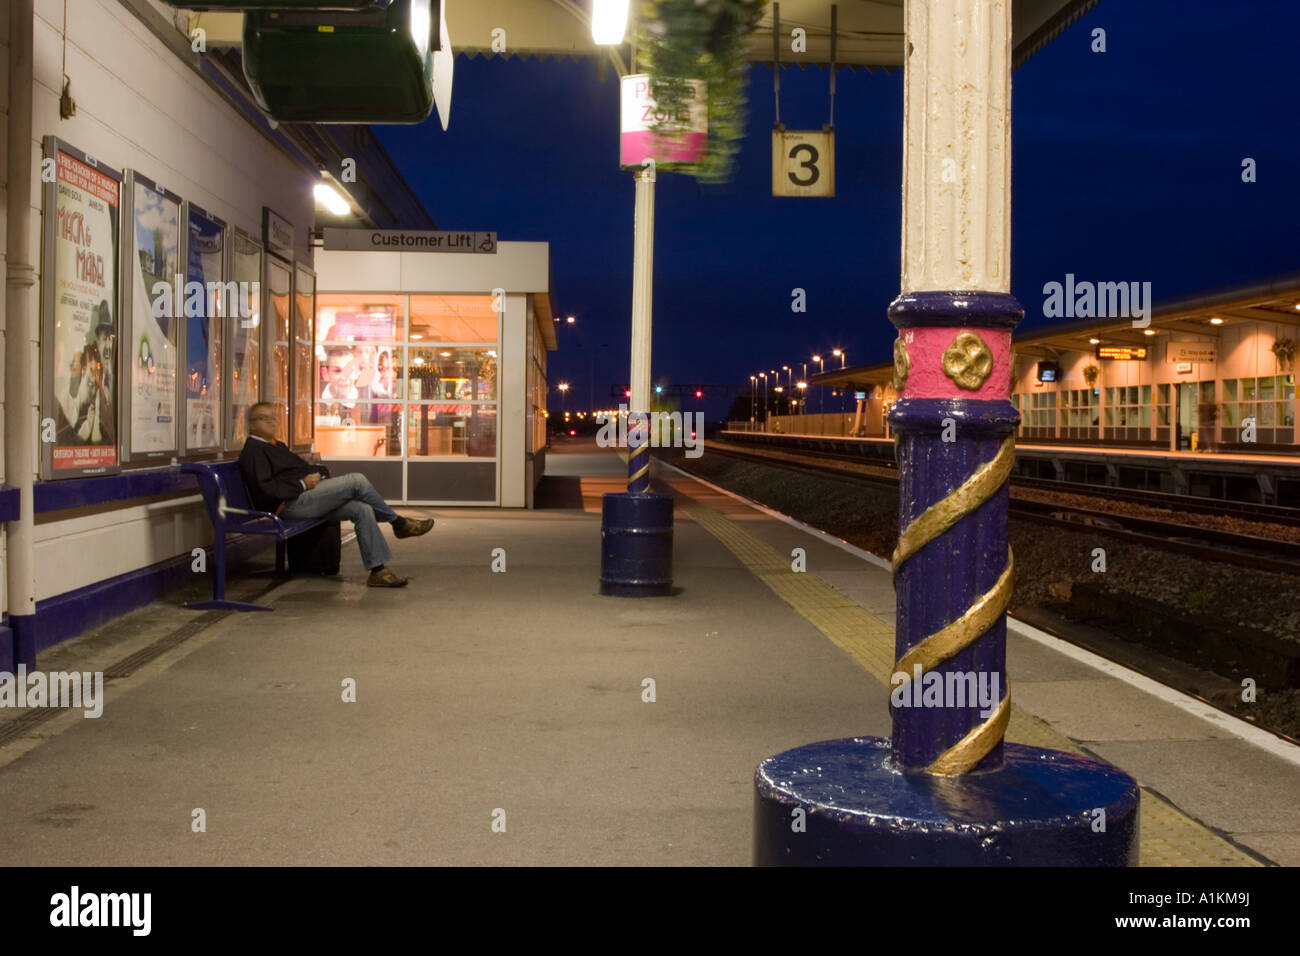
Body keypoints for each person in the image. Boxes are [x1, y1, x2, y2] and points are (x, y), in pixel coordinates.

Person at [238, 401, 432, 587]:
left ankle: (378, 571)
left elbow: (297, 468)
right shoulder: (254, 451)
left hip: (305, 497)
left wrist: (316, 475)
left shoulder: (274, 445)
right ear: (252, 424)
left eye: (274, 417)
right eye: (265, 418)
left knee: (361, 509)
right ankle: (398, 523)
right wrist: (302, 484)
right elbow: (266, 490)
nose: (273, 421)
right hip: (289, 505)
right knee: (357, 481)